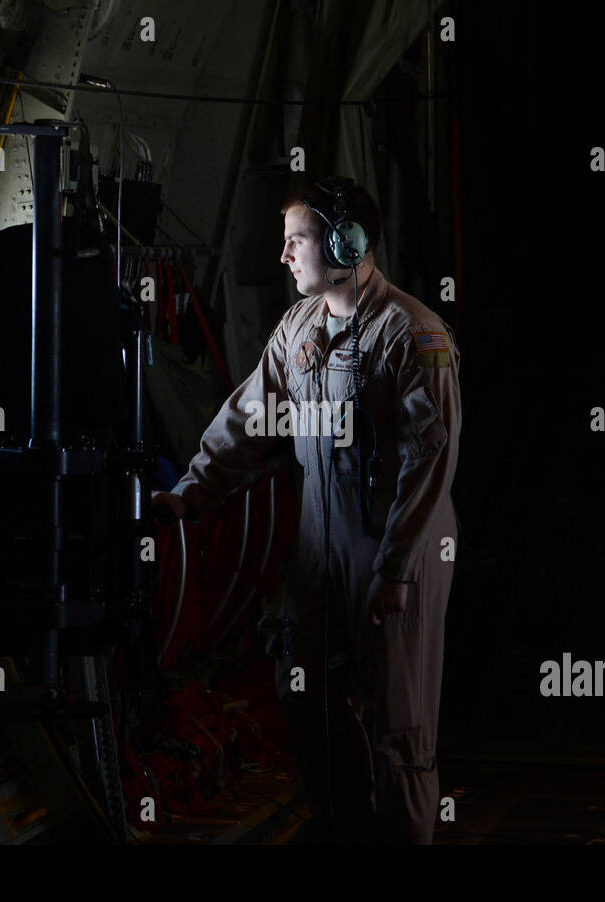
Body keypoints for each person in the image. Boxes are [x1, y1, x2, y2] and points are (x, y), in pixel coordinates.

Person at [152, 176, 461, 843]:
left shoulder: (412, 335)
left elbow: (428, 462)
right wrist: (189, 494)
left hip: (390, 554)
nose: (286, 256)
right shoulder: (298, 329)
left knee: (398, 730)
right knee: (312, 705)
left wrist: (399, 569)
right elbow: (250, 416)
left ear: (345, 241)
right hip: (320, 553)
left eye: (297, 241)